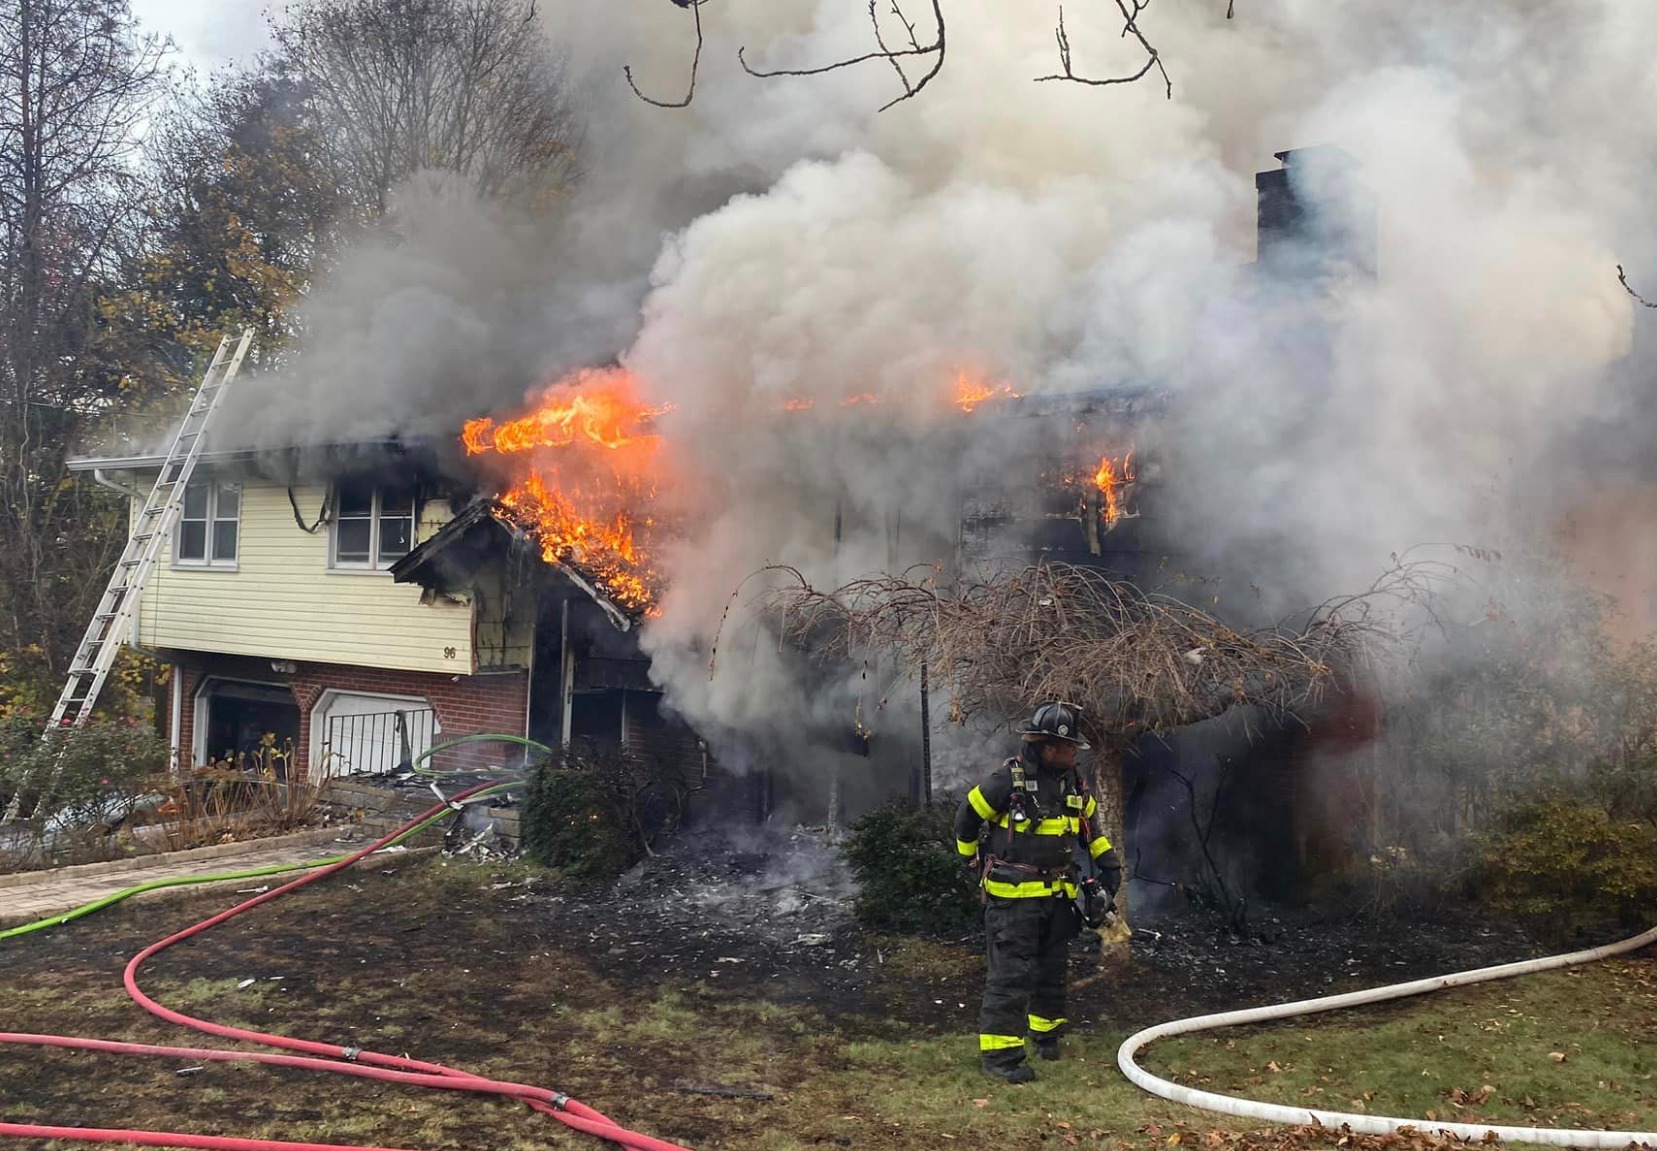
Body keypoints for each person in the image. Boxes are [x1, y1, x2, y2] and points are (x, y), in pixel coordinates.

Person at [954, 702, 1123, 1083]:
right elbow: (967, 816)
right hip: (1012, 902)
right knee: (1011, 976)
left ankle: (1046, 1037)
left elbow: (1091, 832)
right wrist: (970, 859)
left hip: (1057, 899)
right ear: (1047, 746)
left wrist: (1110, 869)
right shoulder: (1008, 781)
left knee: (1051, 972)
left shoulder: (1074, 785)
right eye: (1066, 748)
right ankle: (1001, 1057)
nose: (1071, 754)